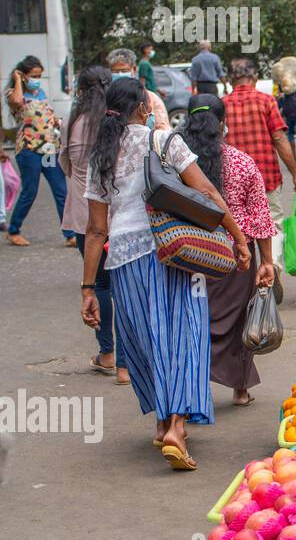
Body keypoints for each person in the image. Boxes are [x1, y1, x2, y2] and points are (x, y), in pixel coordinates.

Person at [81, 78, 251, 470]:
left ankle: (162, 421)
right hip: (171, 251)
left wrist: (88, 288)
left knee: (145, 339)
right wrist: (238, 238)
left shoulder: (99, 156)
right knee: (185, 334)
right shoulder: (163, 140)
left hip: (123, 259)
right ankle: (176, 426)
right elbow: (207, 192)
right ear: (143, 108)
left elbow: (95, 230)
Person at [182, 94, 276, 406]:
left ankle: (192, 392)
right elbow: (260, 216)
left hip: (189, 255)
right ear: (223, 123)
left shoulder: (178, 165)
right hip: (237, 256)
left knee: (193, 323)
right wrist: (268, 262)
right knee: (238, 321)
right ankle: (240, 389)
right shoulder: (242, 163)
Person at [59, 65, 126, 383]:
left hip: (83, 218)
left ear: (81, 91)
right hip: (119, 217)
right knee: (123, 288)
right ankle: (126, 363)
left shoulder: (70, 123)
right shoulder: (116, 123)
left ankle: (108, 354)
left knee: (99, 286)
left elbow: (65, 166)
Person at [223, 58, 296, 289]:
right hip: (266, 175)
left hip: (231, 180)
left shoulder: (222, 105)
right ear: (255, 78)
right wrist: (295, 173)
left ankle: (243, 274)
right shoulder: (266, 101)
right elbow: (279, 138)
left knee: (237, 227)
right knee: (272, 224)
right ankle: (272, 267)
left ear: (230, 80)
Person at [5, 55, 74, 247]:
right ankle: (13, 230)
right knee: (30, 191)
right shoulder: (14, 93)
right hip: (29, 151)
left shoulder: (41, 93)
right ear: (24, 75)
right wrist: (17, 80)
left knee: (61, 191)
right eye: (33, 76)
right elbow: (17, 102)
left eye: (39, 76)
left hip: (49, 149)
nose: (37, 80)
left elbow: (47, 118)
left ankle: (69, 234)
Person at [107, 48, 169, 132]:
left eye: (124, 70)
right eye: (116, 71)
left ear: (134, 69)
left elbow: (163, 128)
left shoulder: (150, 98)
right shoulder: (105, 96)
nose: (120, 74)